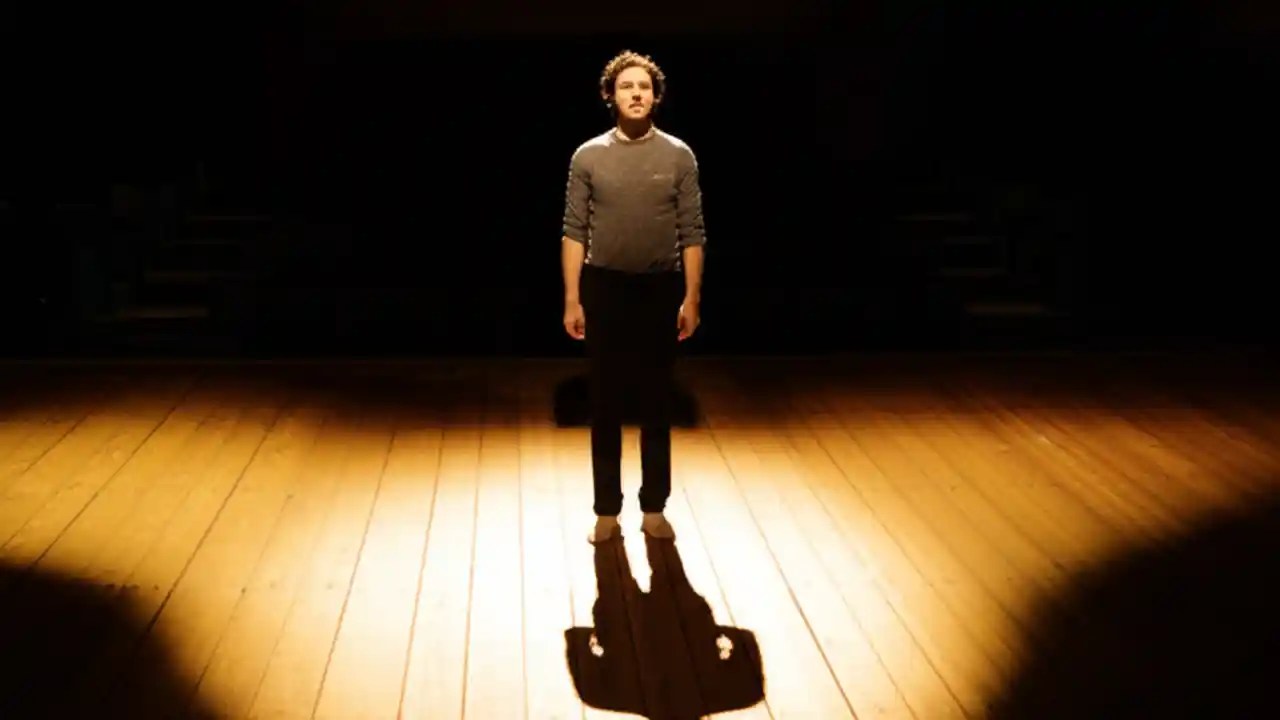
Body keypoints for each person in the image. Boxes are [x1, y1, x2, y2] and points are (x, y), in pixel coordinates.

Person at [560, 50, 707, 544]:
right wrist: (572, 298)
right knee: (604, 404)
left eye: (644, 86)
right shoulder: (588, 156)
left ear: (657, 95)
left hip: (659, 288)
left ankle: (654, 507)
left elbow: (692, 231)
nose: (636, 93)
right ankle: (606, 510)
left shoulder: (679, 155)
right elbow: (574, 231)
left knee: (655, 403)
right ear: (610, 96)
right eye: (626, 86)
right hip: (605, 287)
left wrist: (691, 297)